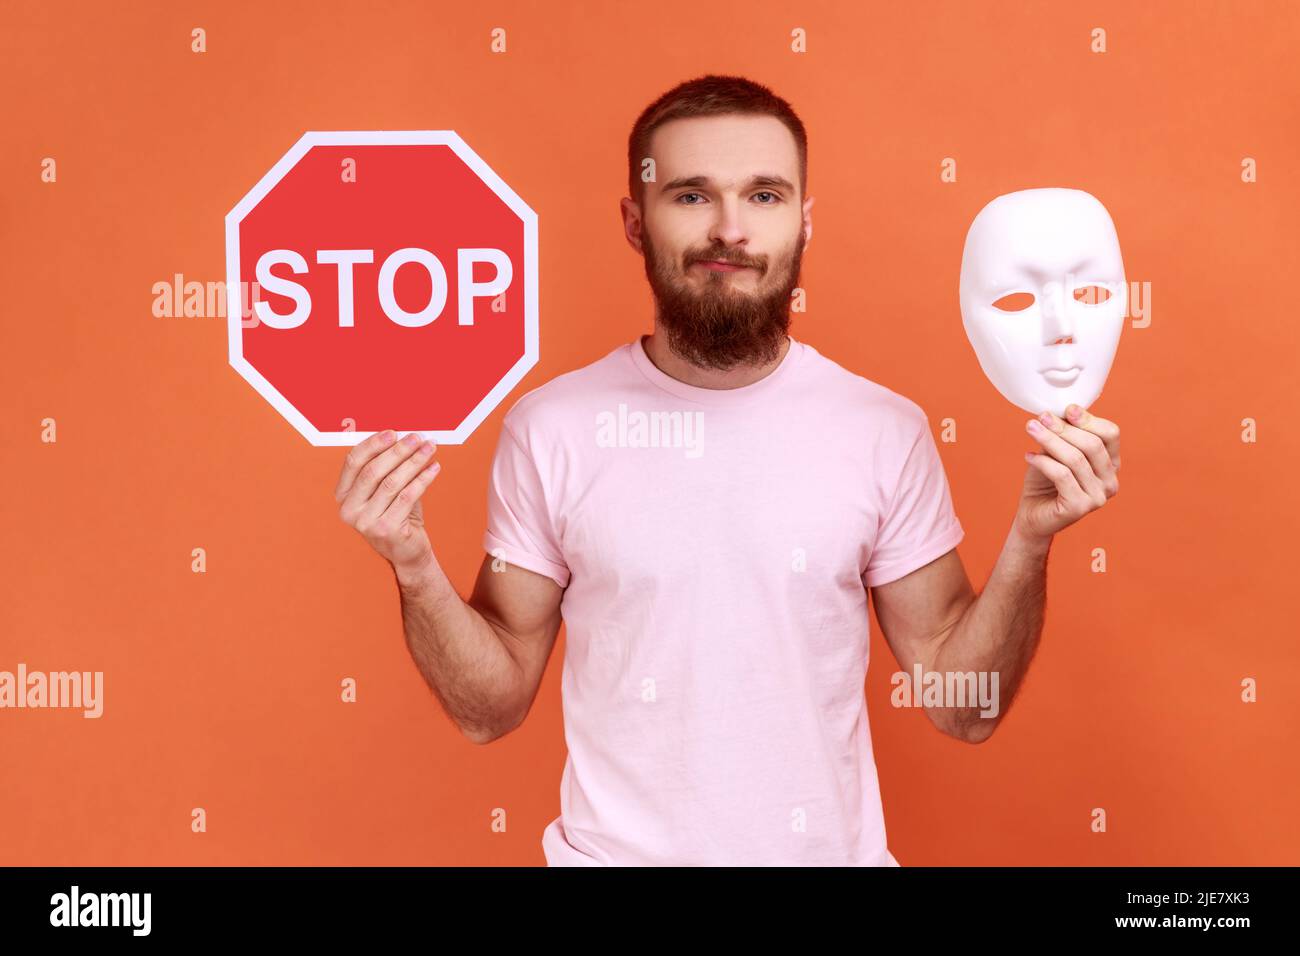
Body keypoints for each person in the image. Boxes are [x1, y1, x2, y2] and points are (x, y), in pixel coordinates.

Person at [334, 74, 1122, 866]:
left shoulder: (885, 430)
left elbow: (963, 708)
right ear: (635, 221)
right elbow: (490, 707)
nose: (730, 230)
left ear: (805, 222)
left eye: (766, 196)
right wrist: (412, 566)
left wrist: (1029, 539)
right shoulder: (552, 429)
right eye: (690, 196)